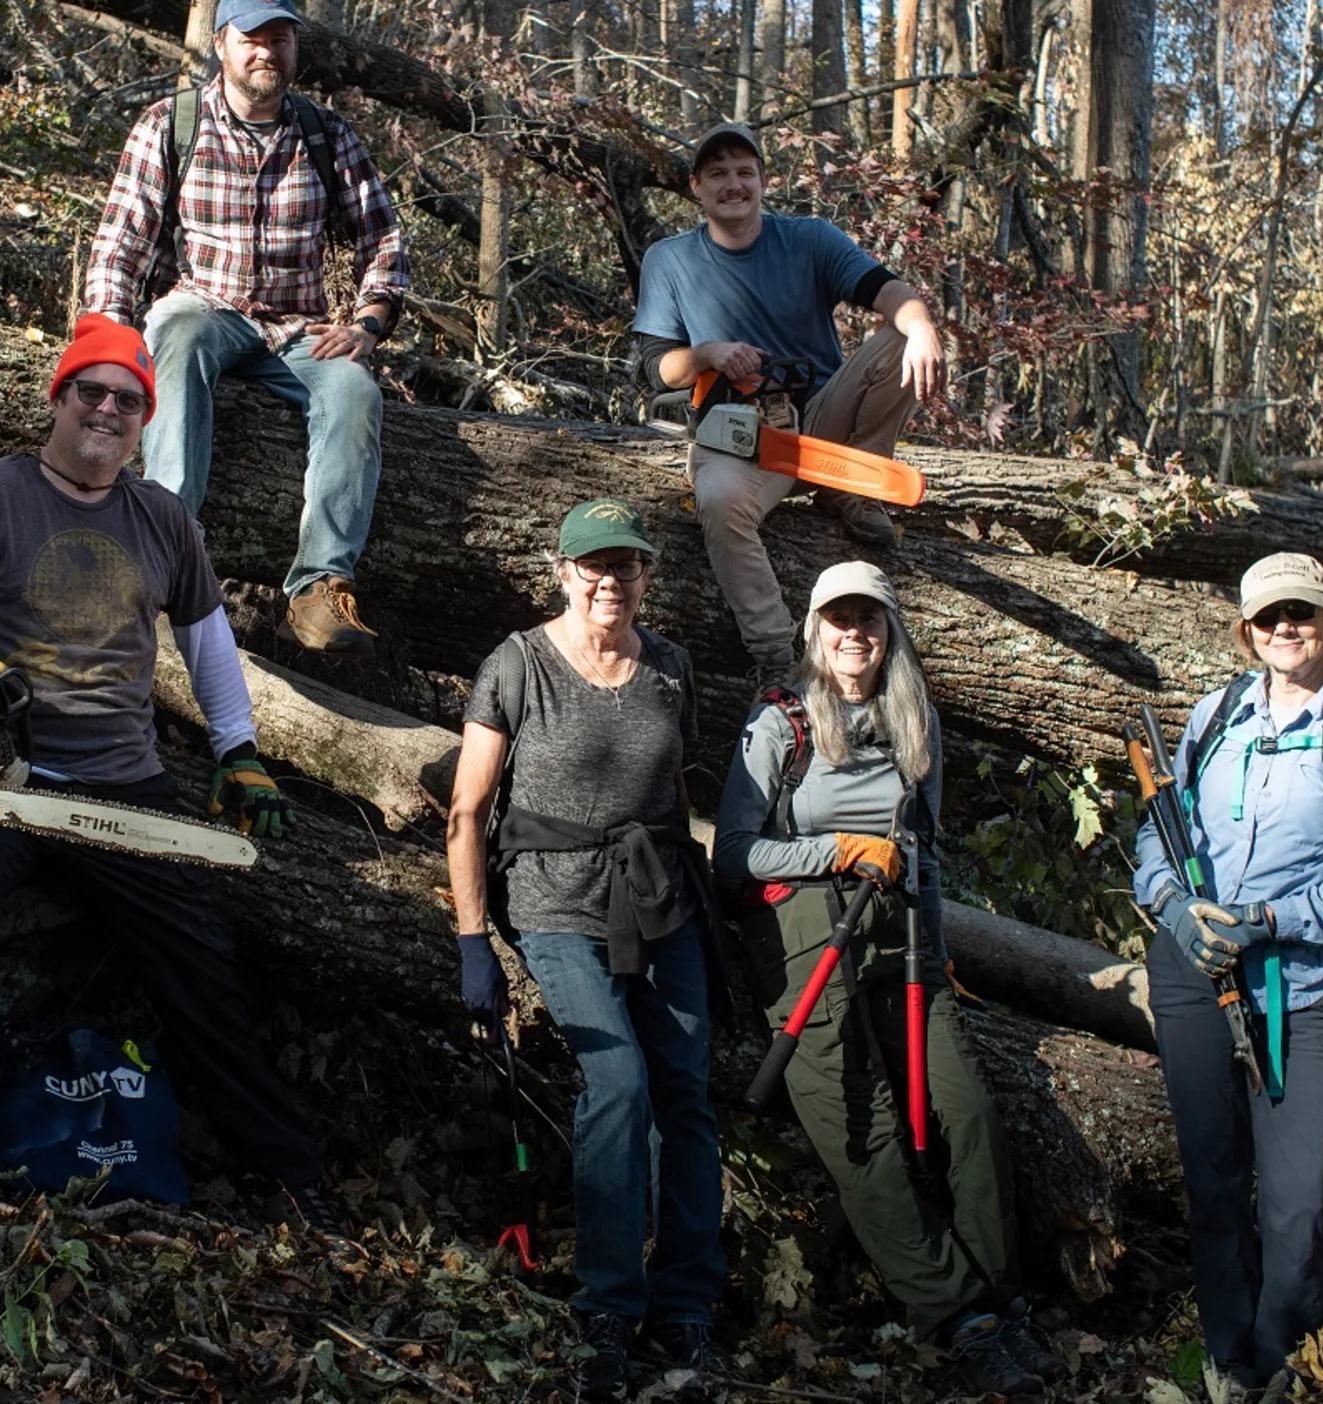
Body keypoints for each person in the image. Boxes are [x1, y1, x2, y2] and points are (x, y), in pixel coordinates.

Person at [0, 314, 332, 1229]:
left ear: (146, 418)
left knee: (199, 956)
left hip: (125, 785)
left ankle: (280, 1171)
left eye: (128, 399)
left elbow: (207, 640)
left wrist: (238, 751)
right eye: (92, 392)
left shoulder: (160, 518)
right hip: (0, 772)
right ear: (59, 398)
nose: (108, 410)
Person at [714, 560, 1065, 1399]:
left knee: (969, 1109)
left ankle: (997, 1295)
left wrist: (937, 949)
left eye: (868, 618)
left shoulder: (917, 723)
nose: (854, 634)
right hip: (806, 935)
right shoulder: (781, 725)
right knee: (860, 1128)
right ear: (813, 629)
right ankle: (957, 1316)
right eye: (837, 618)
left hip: (904, 936)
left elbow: (927, 851)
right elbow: (732, 855)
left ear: (890, 629)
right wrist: (833, 851)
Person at [443, 499, 725, 1404]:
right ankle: (607, 1309)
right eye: (592, 566)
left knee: (685, 1094)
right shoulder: (517, 664)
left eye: (627, 565)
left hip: (660, 906)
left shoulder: (672, 668)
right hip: (555, 904)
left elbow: (678, 798)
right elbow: (467, 811)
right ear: (562, 572)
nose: (610, 581)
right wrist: (473, 939)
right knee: (620, 1083)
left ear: (647, 575)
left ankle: (684, 1309)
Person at [1131, 552, 1323, 1403]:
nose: (1285, 628)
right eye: (1268, 616)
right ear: (1246, 630)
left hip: (1300, 988)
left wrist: (1272, 923)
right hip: (1192, 975)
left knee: (1297, 1196)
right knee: (1212, 1179)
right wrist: (1177, 909)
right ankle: (1230, 1358)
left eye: (1301, 613)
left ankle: (1291, 1362)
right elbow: (1157, 836)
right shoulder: (1215, 715)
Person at [81, 0, 410, 658]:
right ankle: (164, 552)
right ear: (223, 44)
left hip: (298, 328)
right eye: (253, 37)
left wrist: (368, 326)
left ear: (294, 48)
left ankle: (318, 593)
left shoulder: (327, 136)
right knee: (174, 331)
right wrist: (109, 346)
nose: (267, 51)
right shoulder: (170, 126)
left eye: (280, 38)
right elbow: (119, 250)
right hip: (205, 307)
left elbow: (385, 243)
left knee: (354, 392)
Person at [632, 122, 946, 683]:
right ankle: (779, 658)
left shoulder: (809, 239)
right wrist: (708, 353)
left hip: (822, 421)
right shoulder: (670, 259)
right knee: (722, 502)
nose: (734, 185)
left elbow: (885, 288)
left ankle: (849, 487)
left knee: (900, 334)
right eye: (719, 175)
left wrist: (920, 324)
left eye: (744, 173)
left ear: (762, 181)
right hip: (741, 435)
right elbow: (657, 369)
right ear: (697, 187)